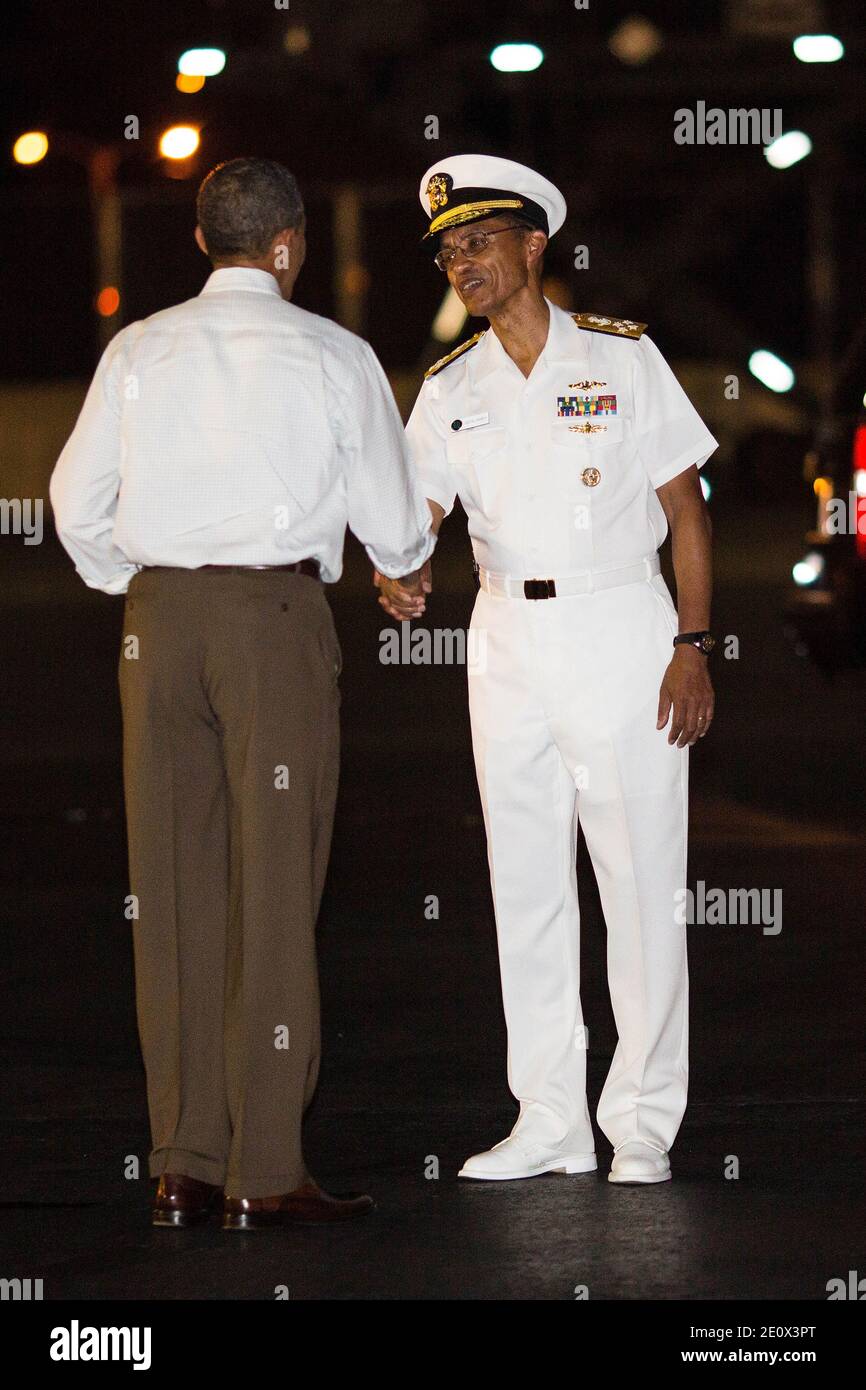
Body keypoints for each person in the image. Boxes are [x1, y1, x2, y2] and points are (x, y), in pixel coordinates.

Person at [50, 157, 435, 1228]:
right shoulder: (331, 351)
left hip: (158, 627)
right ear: (289, 243)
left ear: (199, 240)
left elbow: (74, 502)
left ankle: (179, 1159)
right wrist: (402, 564)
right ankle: (267, 1170)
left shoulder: (138, 347)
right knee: (271, 893)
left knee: (171, 893)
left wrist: (143, 583)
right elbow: (392, 514)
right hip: (271, 626)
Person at [377, 154, 717, 1185]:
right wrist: (400, 566)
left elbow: (684, 513)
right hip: (503, 641)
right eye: (445, 251)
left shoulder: (620, 358)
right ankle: (549, 1119)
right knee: (523, 882)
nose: (460, 264)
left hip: (620, 624)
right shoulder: (447, 387)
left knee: (639, 881)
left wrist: (692, 646)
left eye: (477, 243)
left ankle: (642, 1125)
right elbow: (414, 510)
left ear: (533, 245)